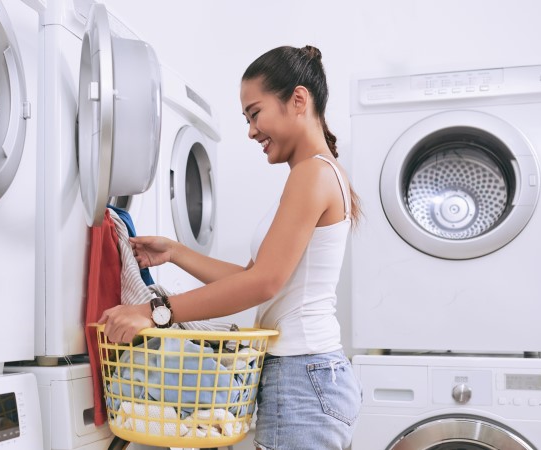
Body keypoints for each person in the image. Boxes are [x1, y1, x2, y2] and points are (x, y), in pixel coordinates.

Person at [98, 44, 362, 450]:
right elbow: (252, 276)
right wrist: (176, 252)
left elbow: (264, 283)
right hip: (307, 375)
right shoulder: (315, 174)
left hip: (302, 378)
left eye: (255, 114)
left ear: (297, 100)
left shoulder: (311, 174)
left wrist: (153, 313)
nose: (252, 131)